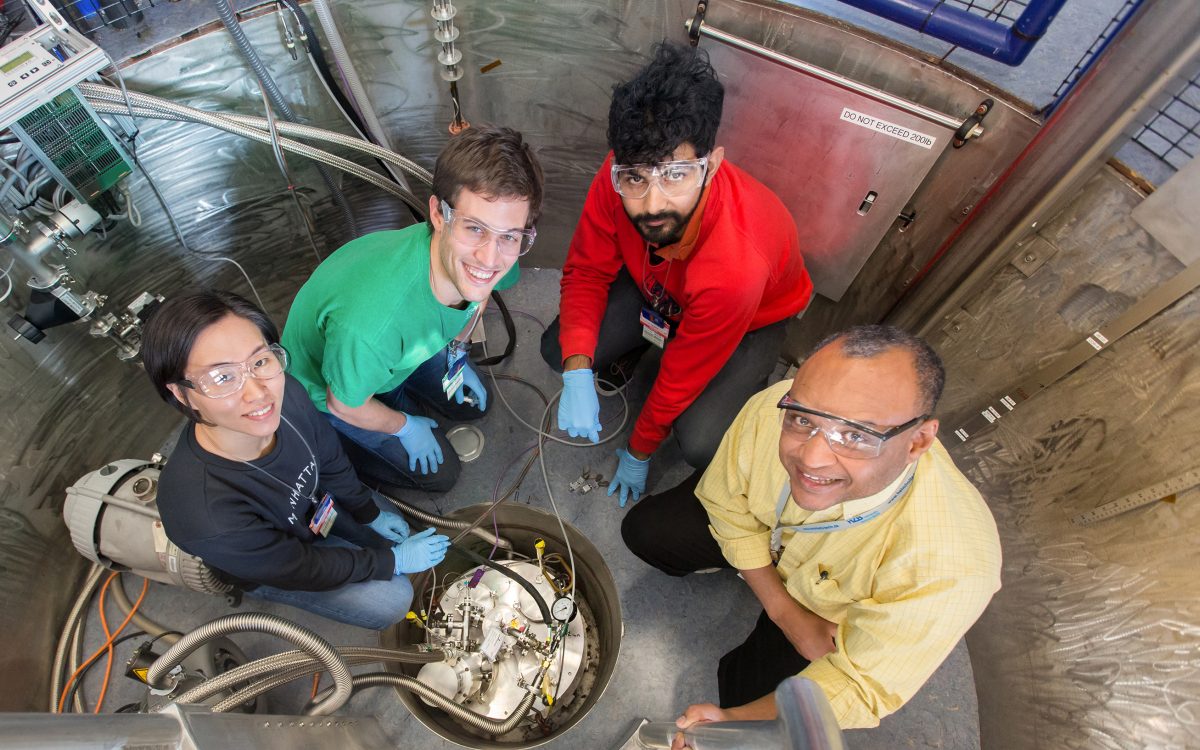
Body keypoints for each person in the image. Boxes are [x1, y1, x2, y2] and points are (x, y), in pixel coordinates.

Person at [621, 325, 1002, 731]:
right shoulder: (776, 406)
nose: (812, 458)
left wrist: (733, 719)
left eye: (856, 435)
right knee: (648, 532)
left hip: (824, 621)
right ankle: (744, 568)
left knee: (751, 703)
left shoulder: (954, 567)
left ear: (917, 443)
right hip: (784, 577)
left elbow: (860, 684)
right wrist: (783, 610)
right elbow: (724, 499)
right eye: (803, 420)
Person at [541, 41, 813, 507]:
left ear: (713, 165)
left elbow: (680, 378)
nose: (652, 204)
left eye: (677, 175)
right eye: (636, 179)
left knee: (701, 439)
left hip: (748, 316)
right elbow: (586, 272)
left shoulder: (736, 266)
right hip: (660, 282)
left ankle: (746, 383)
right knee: (558, 348)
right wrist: (578, 370)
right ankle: (630, 354)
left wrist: (639, 450)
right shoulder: (618, 175)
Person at [142, 290, 450, 630]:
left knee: (395, 534)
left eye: (260, 362)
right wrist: (390, 562)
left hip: (317, 506)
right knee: (391, 599)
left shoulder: (286, 393)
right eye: (222, 378)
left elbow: (329, 457)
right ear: (182, 393)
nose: (259, 393)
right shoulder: (202, 514)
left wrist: (368, 513)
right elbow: (299, 566)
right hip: (281, 560)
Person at [283, 125, 543, 493]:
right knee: (442, 474)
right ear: (439, 214)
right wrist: (404, 426)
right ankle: (348, 451)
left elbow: (482, 292)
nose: (490, 256)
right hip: (339, 387)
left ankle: (402, 397)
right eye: (474, 228)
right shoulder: (372, 325)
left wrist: (458, 351)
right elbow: (343, 404)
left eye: (509, 236)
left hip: (402, 352)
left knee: (472, 407)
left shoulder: (493, 254)